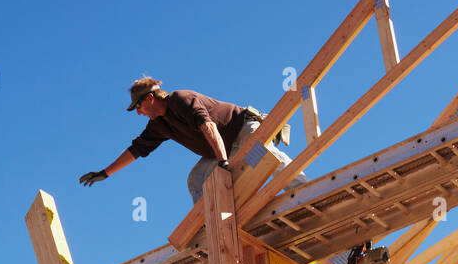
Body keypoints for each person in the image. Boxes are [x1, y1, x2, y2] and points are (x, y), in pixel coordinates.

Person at [79, 76, 305, 204]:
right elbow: (137, 149)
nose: (138, 112)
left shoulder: (181, 99)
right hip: (222, 151)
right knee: (196, 181)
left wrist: (223, 162)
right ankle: (215, 223)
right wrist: (105, 173)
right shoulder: (158, 124)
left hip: (242, 128)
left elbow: (208, 126)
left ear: (149, 98)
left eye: (138, 106)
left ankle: (305, 191)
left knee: (261, 153)